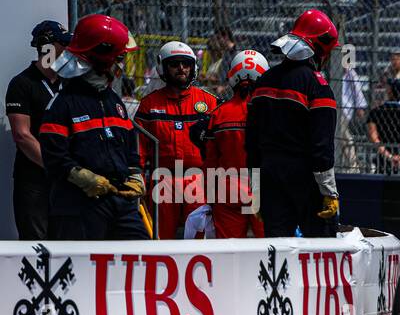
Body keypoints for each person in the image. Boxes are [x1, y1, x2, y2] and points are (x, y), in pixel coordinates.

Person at [39, 14, 149, 240]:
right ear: (102, 60)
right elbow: (53, 155)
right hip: (78, 205)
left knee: (141, 256)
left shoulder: (114, 102)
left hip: (121, 203)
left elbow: (129, 149)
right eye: (118, 58)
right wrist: (81, 177)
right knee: (84, 269)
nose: (121, 65)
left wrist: (136, 175)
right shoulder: (64, 103)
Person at [245, 9, 340, 237]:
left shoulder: (263, 81)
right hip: (305, 177)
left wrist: (257, 191)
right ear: (320, 49)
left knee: (277, 249)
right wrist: (329, 192)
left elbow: (251, 143)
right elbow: (321, 147)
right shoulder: (317, 86)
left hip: (269, 175)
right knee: (320, 245)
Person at [134, 41, 217, 239]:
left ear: (193, 67)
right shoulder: (149, 104)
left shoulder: (208, 101)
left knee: (200, 239)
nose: (181, 68)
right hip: (162, 180)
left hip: (199, 180)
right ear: (163, 68)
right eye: (175, 64)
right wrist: (137, 176)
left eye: (186, 64)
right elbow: (138, 148)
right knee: (161, 240)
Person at [191, 49, 267, 238]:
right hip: (264, 190)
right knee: (269, 249)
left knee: (228, 251)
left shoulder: (218, 114)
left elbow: (210, 161)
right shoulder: (273, 112)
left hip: (227, 193)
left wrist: (209, 196)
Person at [6, 21, 70, 239]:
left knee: (67, 245)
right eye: (62, 44)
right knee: (36, 246)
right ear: (47, 47)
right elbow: (22, 135)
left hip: (66, 180)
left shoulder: (70, 83)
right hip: (35, 180)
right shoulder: (22, 83)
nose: (67, 49)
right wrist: (58, 167)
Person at [367, 79, 400, 174]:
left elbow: (373, 137)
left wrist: (389, 156)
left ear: (390, 91)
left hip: (382, 163)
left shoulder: (376, 112)